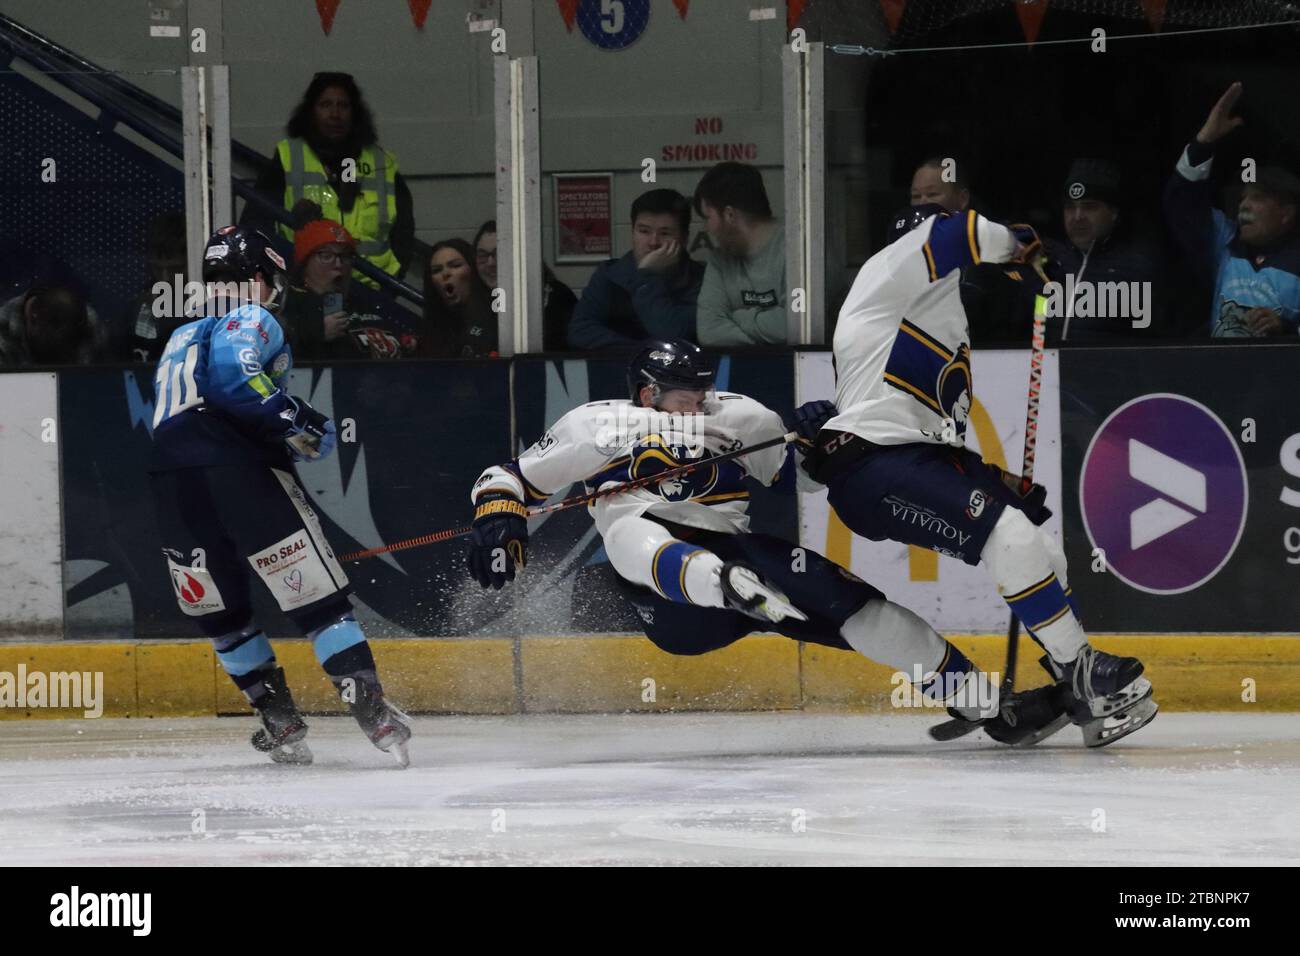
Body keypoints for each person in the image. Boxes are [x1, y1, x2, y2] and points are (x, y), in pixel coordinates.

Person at [465, 339, 1071, 746]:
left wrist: (814, 438)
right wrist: (500, 519)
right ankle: (723, 588)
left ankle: (986, 706)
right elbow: (507, 476)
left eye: (702, 390)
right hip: (669, 601)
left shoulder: (742, 417)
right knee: (629, 532)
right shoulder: (593, 426)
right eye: (685, 394)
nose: (699, 402)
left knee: (861, 608)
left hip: (742, 555)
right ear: (647, 393)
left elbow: (802, 480)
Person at [803, 204, 1158, 747]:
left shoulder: (932, 307)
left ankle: (1074, 681)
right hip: (873, 463)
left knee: (1038, 544)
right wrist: (1019, 249)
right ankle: (1080, 667)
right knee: (1009, 534)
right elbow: (955, 234)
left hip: (912, 457)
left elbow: (924, 425)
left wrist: (990, 478)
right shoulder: (887, 270)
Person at [146, 225, 411, 767]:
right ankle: (373, 713)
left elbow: (188, 406)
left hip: (173, 484)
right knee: (318, 605)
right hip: (241, 473)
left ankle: (278, 717)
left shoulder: (177, 336)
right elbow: (232, 378)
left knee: (222, 614)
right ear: (263, 278)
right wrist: (297, 419)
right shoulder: (254, 315)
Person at [242, 73, 414, 284]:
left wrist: (394, 282)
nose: (335, 114)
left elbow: (404, 233)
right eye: (325, 105)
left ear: (355, 113)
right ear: (311, 112)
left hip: (373, 292)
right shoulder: (289, 157)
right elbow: (257, 222)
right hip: (305, 290)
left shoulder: (380, 163)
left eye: (343, 106)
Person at [1164, 81, 1300, 338]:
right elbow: (1180, 203)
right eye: (1242, 198)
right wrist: (1204, 141)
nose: (1244, 205)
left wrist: (1286, 331)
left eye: (1257, 198)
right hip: (1221, 373)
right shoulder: (1226, 241)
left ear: (1286, 213)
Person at [1042, 159, 1166, 342]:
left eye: (1089, 207)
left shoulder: (1138, 270)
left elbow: (1157, 350)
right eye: (1070, 207)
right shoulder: (1045, 259)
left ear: (1113, 212)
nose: (1077, 217)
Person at [567, 189, 706, 351]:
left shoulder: (700, 279)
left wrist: (647, 276)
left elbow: (673, 332)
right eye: (644, 231)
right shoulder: (609, 274)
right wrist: (641, 351)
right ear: (632, 232)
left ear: (684, 239)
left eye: (665, 233)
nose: (653, 242)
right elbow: (580, 332)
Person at [279, 219, 418, 360]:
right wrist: (316, 334)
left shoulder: (363, 302)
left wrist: (405, 343)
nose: (338, 264)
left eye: (345, 256)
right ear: (305, 264)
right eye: (326, 256)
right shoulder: (288, 304)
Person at [693, 163, 787, 346]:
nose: (706, 228)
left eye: (708, 217)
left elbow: (795, 326)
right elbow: (709, 331)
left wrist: (739, 317)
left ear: (729, 215)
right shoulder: (720, 260)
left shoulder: (799, 252)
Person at [473, 220, 576, 350]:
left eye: (499, 254)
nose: (490, 263)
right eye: (482, 256)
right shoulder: (475, 299)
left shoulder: (556, 297)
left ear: (520, 255)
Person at [421, 238, 497, 358]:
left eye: (455, 265)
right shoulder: (434, 329)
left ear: (473, 269)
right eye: (437, 270)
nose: (445, 273)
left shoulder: (497, 318)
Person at [0, 283, 103, 366]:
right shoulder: (3, 334)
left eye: (67, 342)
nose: (60, 349)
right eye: (51, 340)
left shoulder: (87, 321)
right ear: (33, 319)